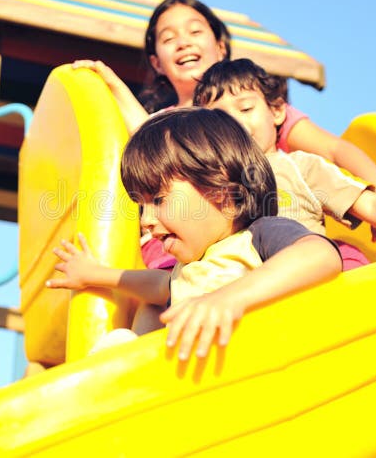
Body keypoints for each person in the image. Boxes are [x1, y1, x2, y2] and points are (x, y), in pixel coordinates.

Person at [48, 108, 343, 361]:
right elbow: (156, 285)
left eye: (159, 200)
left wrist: (225, 300)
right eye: (141, 206)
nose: (146, 221)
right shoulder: (188, 269)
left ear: (223, 193)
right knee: (132, 330)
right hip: (192, 390)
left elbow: (321, 256)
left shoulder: (258, 236)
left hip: (253, 371)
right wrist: (94, 275)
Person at [71, 0, 376, 204]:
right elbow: (145, 131)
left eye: (196, 32)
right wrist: (112, 83)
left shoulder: (253, 108)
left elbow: (332, 148)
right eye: (169, 38)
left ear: (221, 47)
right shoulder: (169, 123)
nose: (184, 42)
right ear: (157, 63)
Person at [193, 58, 376, 250]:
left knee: (345, 257)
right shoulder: (206, 190)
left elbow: (373, 206)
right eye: (220, 117)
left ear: (276, 111)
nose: (235, 122)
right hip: (238, 294)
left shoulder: (302, 168)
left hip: (302, 282)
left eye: (245, 108)